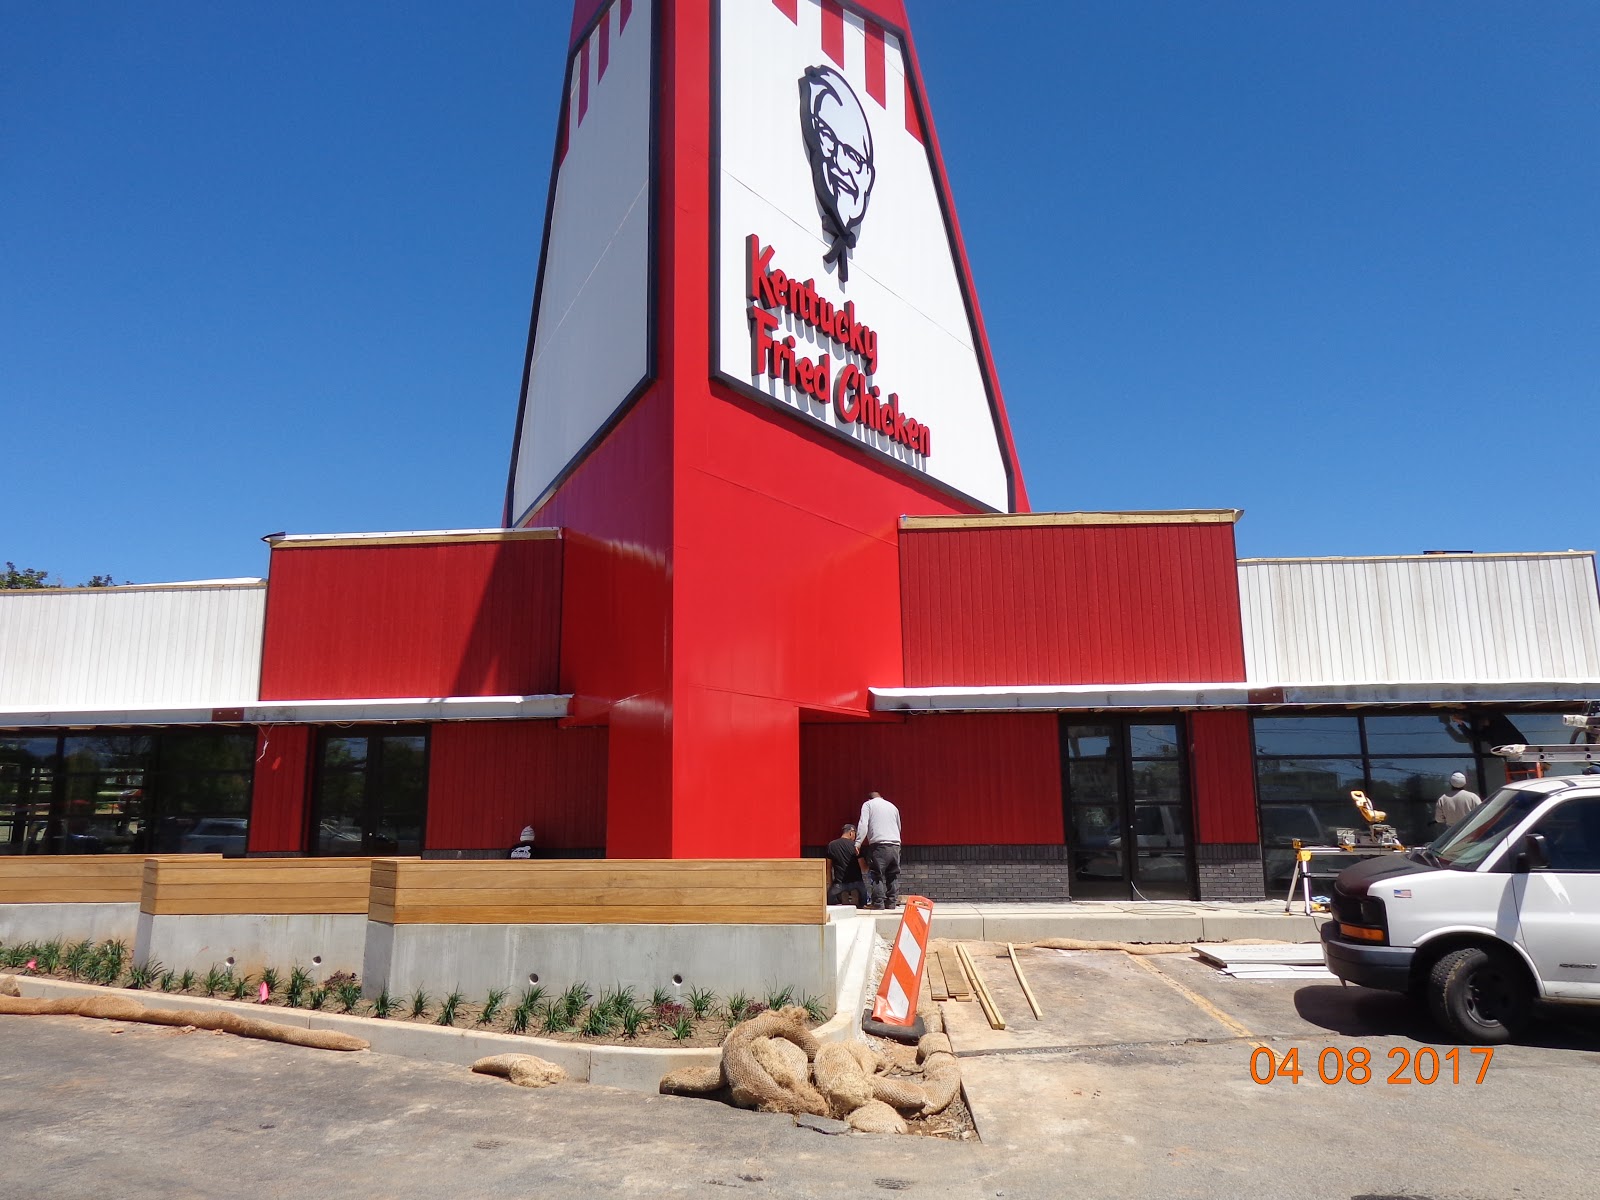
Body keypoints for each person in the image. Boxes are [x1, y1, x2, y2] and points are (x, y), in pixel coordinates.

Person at [855, 790, 902, 909]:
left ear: (869, 799)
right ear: (882, 797)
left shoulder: (868, 805)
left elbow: (863, 824)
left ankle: (878, 903)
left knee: (877, 874)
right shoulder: (892, 806)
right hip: (895, 844)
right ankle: (891, 902)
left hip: (879, 845)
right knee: (893, 874)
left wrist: (858, 842)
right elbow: (898, 826)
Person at [825, 822, 871, 907]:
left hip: (839, 884)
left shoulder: (831, 845)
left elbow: (828, 868)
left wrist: (830, 885)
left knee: (829, 902)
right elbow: (864, 868)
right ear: (851, 833)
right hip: (857, 883)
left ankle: (841, 900)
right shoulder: (856, 846)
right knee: (865, 899)